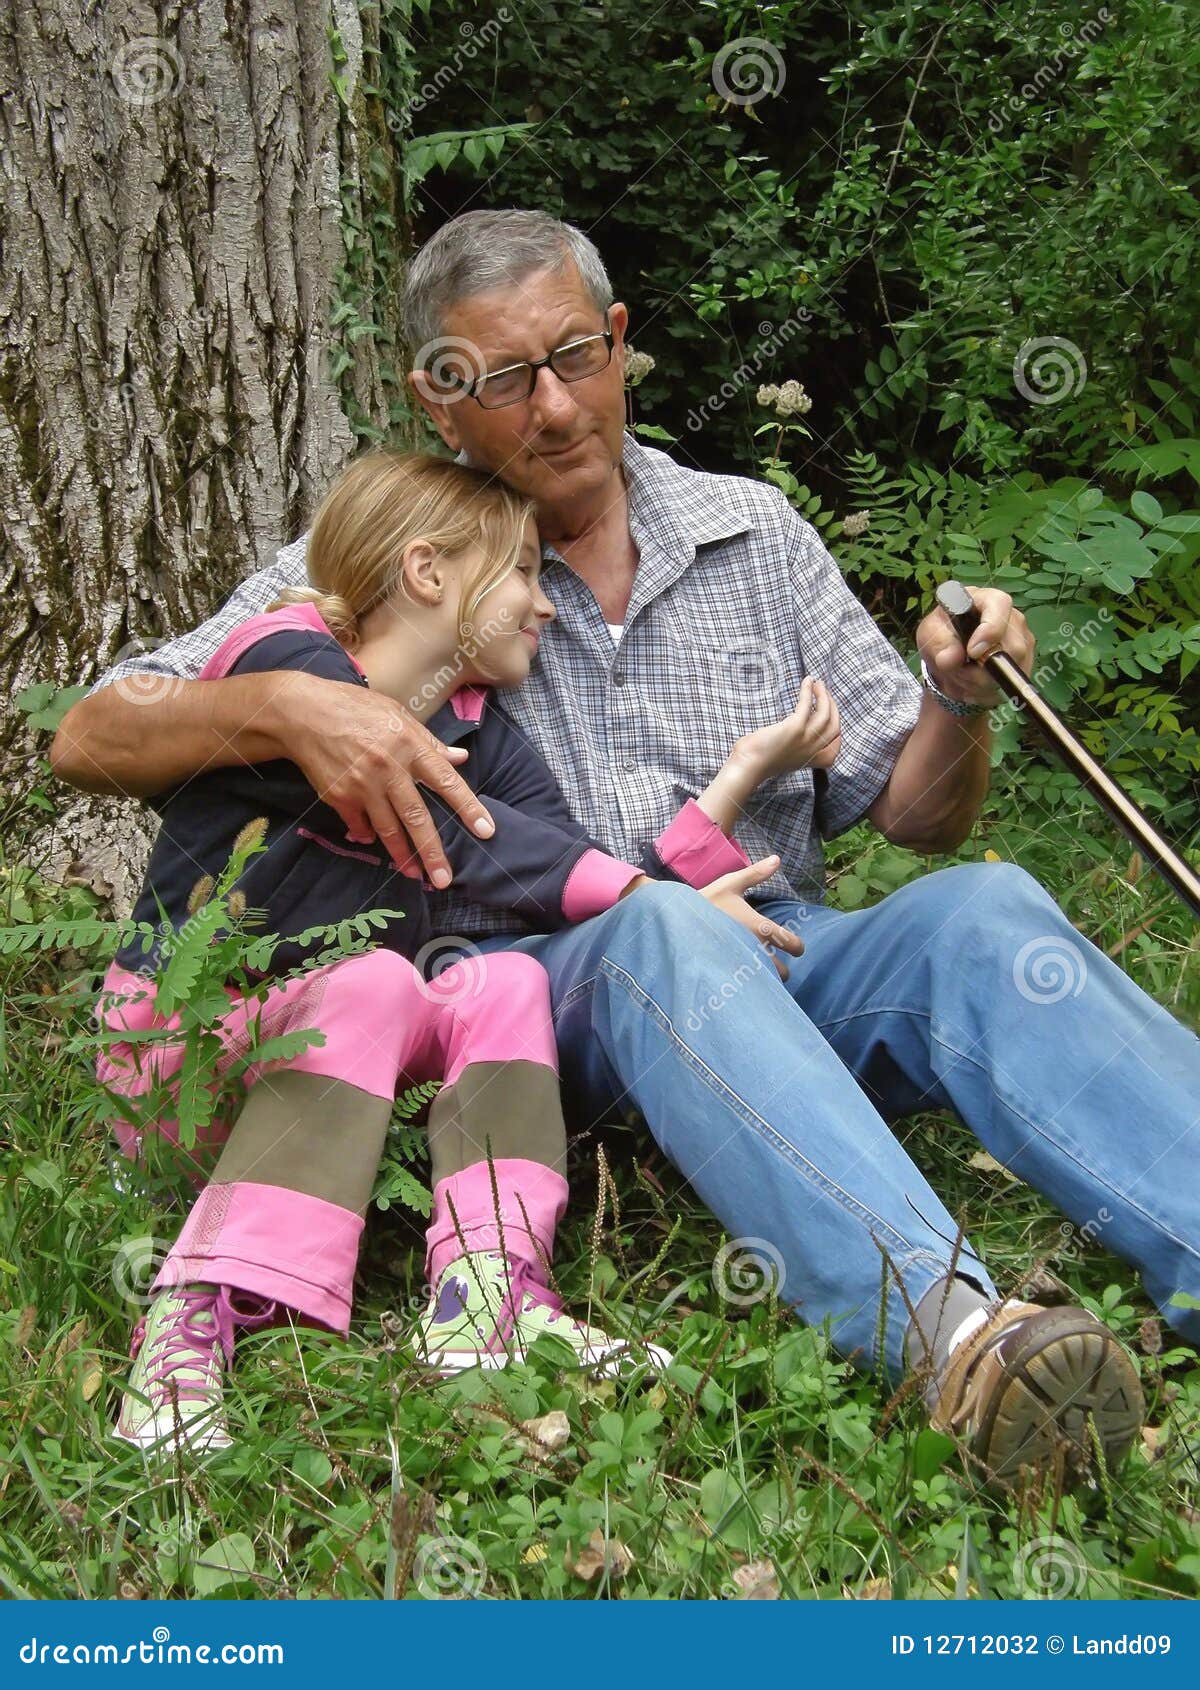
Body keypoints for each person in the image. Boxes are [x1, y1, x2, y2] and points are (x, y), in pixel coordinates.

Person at [57, 209, 1198, 1491]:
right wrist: (285, 701)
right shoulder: (404, 555)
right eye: (500, 380)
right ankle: (959, 1345)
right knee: (656, 925)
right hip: (531, 1002)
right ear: (441, 406)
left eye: (572, 359)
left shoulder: (754, 533)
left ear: (617, 343)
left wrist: (959, 697)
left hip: (780, 954)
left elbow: (918, 816)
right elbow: (93, 732)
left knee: (981, 911)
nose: (551, 408)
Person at [98, 448, 840, 1454]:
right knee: (366, 981)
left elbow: (557, 870)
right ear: (428, 572)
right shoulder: (287, 659)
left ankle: (489, 1297)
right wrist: (632, 888)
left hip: (333, 1055)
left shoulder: (484, 740)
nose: (547, 604)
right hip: (175, 1062)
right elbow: (469, 837)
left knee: (504, 975)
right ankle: (192, 1317)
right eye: (526, 571)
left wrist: (706, 836)